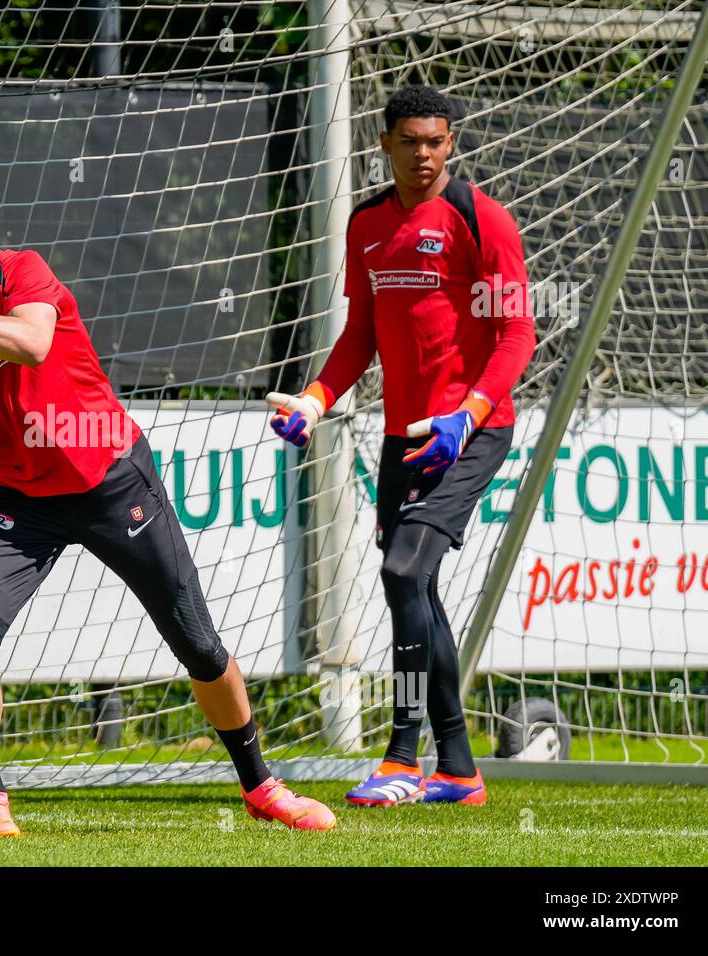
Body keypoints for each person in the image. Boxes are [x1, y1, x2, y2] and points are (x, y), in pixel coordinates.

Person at [0, 170, 337, 835]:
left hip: (112, 478)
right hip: (24, 498)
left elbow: (33, 342)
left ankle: (262, 788)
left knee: (197, 642)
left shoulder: (20, 271)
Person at [267, 86, 536, 807]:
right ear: (384, 141)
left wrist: (468, 414)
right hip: (400, 435)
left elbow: (517, 335)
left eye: (436, 141)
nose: (424, 154)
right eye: (411, 140)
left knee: (402, 568)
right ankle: (458, 767)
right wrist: (315, 401)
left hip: (471, 432)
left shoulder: (481, 220)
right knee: (411, 585)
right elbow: (361, 336)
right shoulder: (367, 225)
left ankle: (401, 756)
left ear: (452, 143)